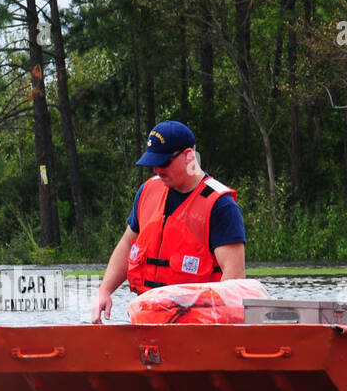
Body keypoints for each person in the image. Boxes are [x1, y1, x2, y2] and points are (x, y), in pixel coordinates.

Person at [90, 120, 246, 323]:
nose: (157, 170)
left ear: (189, 155)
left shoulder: (221, 206)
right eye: (152, 163)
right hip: (146, 323)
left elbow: (233, 279)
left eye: (163, 163)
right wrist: (105, 290)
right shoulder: (148, 191)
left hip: (198, 329)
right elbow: (128, 243)